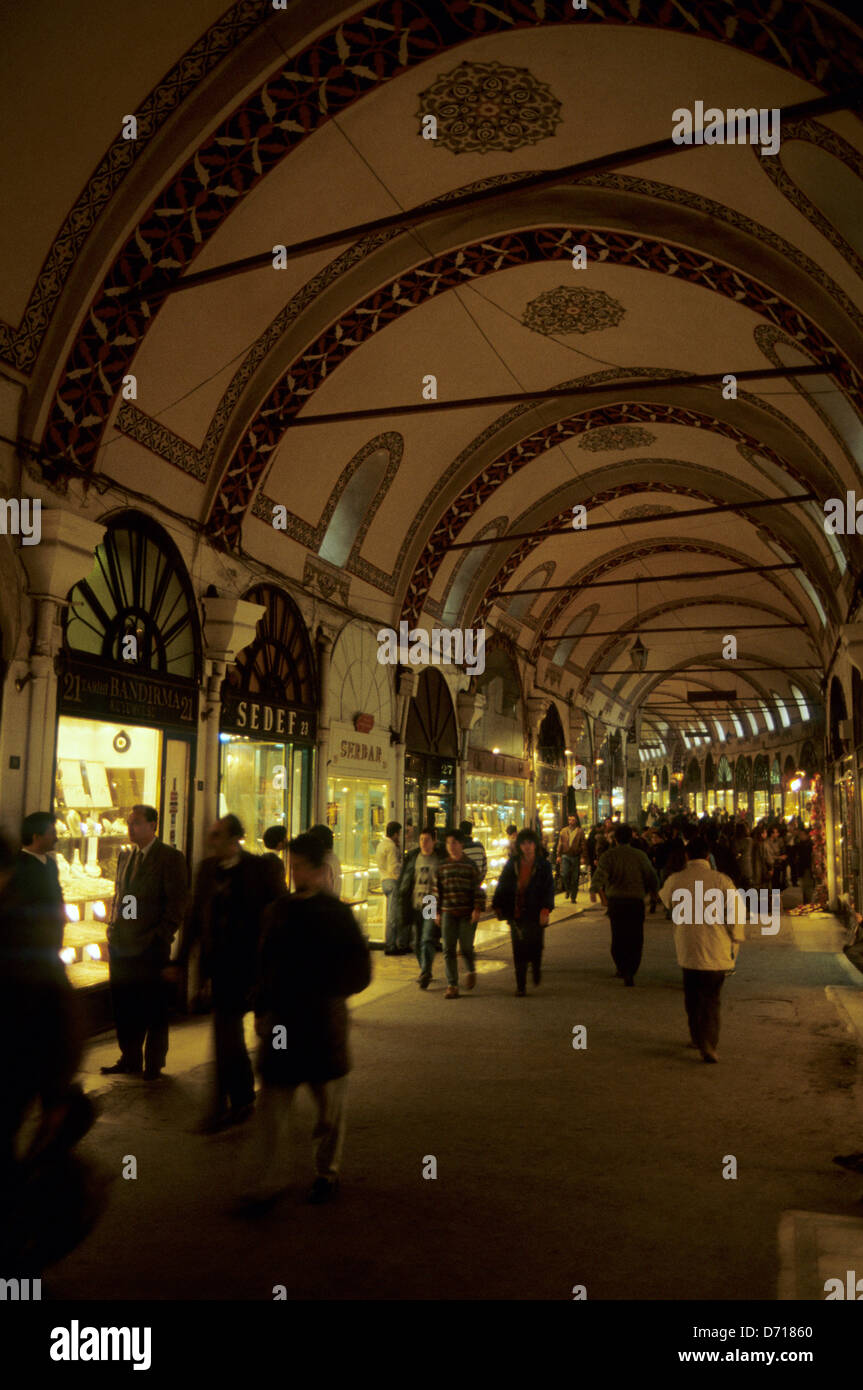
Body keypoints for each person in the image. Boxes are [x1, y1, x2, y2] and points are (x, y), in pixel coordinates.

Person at [239, 832, 371, 1208]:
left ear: (317, 869)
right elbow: (262, 966)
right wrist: (262, 1010)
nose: (292, 872)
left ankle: (326, 1172)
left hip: (322, 1024)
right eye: (290, 865)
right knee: (274, 1099)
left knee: (329, 1108)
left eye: (297, 866)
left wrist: (326, 991)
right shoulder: (278, 911)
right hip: (284, 1024)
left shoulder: (337, 915)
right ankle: (265, 1181)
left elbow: (359, 972)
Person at [178, 815, 285, 1132]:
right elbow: (195, 917)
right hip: (223, 969)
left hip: (256, 967)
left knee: (264, 1036)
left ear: (234, 838)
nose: (212, 841)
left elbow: (278, 913)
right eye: (211, 835)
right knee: (226, 1038)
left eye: (217, 835)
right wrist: (180, 961)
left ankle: (271, 1093)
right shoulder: (207, 870)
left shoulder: (258, 869)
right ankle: (229, 1103)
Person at [102, 805, 188, 1079]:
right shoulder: (127, 857)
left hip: (151, 946)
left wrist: (160, 935)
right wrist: (115, 929)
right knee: (124, 1004)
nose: (131, 828)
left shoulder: (170, 858)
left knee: (153, 1005)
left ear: (153, 826)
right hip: (123, 944)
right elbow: (125, 898)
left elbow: (176, 904)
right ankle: (129, 1057)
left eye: (137, 823)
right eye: (129, 823)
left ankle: (153, 1062)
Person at [659, 835, 745, 1063]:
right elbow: (736, 914)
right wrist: (736, 940)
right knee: (711, 998)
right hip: (716, 948)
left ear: (687, 856)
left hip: (688, 947)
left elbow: (667, 903)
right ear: (708, 856)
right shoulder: (721, 880)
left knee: (693, 997)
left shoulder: (676, 880)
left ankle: (697, 1037)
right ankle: (709, 1042)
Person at [589, 822, 659, 986]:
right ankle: (631, 969)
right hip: (635, 901)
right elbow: (651, 876)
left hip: (616, 902)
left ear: (615, 839)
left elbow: (599, 876)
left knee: (618, 936)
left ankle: (621, 967)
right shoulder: (640, 855)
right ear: (630, 838)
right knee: (635, 937)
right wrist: (655, 893)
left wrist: (595, 891)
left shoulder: (609, 856)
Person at [493, 828, 555, 996]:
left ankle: (536, 966)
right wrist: (498, 905)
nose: (527, 847)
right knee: (518, 949)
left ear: (535, 845)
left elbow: (549, 888)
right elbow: (502, 885)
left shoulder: (543, 865)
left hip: (535, 912)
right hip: (517, 912)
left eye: (530, 843)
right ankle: (521, 985)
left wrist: (546, 908)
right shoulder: (512, 864)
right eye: (524, 843)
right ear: (519, 846)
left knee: (535, 945)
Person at [4, 812, 66, 969]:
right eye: (52, 833)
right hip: (31, 952)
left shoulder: (50, 863)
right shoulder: (19, 866)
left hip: (50, 945)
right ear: (36, 836)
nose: (56, 838)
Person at [436, 828, 485, 999]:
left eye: (454, 843)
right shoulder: (442, 866)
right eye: (448, 843)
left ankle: (471, 970)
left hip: (466, 912)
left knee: (465, 947)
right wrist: (434, 913)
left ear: (461, 845)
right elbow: (435, 891)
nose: (451, 846)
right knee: (448, 948)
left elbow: (478, 889)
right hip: (448, 912)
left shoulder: (470, 865)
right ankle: (452, 984)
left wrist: (477, 909)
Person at [397, 827, 443, 983]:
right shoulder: (413, 857)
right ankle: (424, 968)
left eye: (427, 840)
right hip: (415, 901)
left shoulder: (439, 858)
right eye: (422, 839)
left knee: (426, 938)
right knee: (416, 941)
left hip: (430, 901)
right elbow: (405, 879)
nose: (424, 843)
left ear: (434, 841)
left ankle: (425, 971)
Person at [376, 821, 402, 955]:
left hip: (383, 880)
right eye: (399, 833)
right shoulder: (391, 846)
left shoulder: (381, 844)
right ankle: (391, 945)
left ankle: (391, 943)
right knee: (393, 915)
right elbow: (393, 867)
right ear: (396, 833)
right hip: (392, 881)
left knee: (389, 913)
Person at [556, 814, 586, 904]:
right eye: (569, 820)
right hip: (565, 855)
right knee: (564, 874)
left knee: (575, 877)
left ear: (576, 821)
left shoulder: (580, 831)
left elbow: (583, 844)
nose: (571, 822)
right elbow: (560, 843)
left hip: (575, 855)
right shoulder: (564, 831)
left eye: (573, 820)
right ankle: (567, 889)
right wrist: (558, 855)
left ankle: (573, 896)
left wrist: (583, 856)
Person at [308, 824, 341, 898]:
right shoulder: (333, 858)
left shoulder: (325, 863)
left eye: (311, 841)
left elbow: (322, 894)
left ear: (321, 842)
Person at [459, 820, 487, 885]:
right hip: (476, 885)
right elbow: (484, 868)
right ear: (471, 831)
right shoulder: (479, 846)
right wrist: (478, 882)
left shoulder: (460, 848)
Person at [262, 825, 288, 890]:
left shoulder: (263, 858)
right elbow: (280, 887)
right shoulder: (276, 862)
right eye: (285, 837)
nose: (287, 839)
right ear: (280, 843)